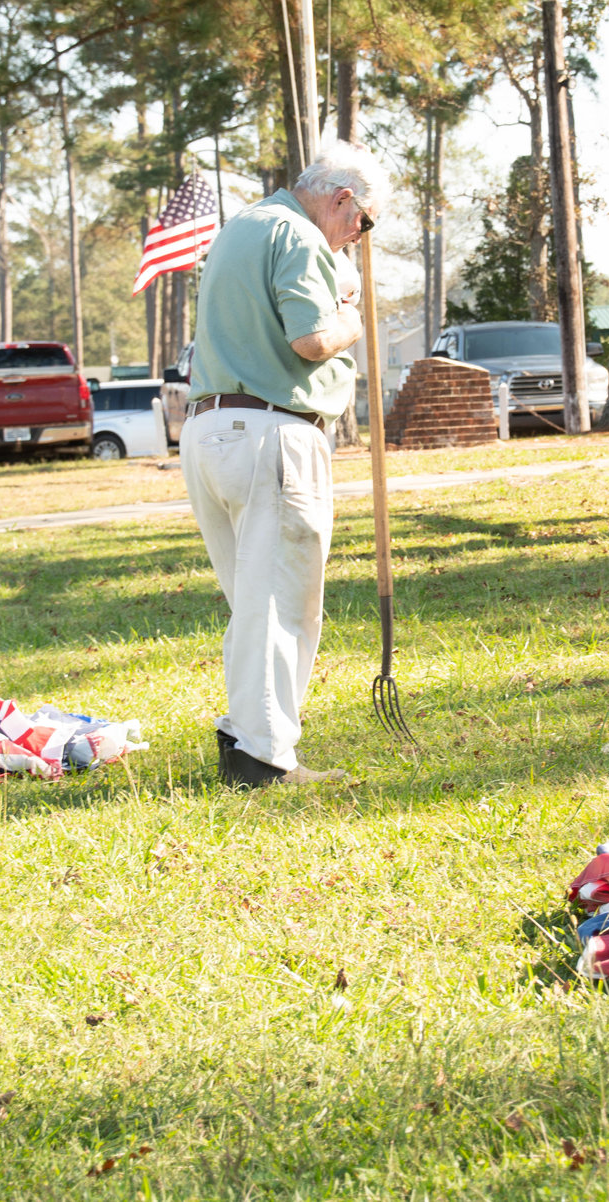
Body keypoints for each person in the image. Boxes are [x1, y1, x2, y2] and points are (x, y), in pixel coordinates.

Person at [180, 141, 390, 789]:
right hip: (272, 433)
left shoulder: (242, 226)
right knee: (283, 606)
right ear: (340, 198)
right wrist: (351, 317)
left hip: (211, 430)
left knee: (253, 603)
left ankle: (246, 739)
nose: (359, 237)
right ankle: (265, 759)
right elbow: (310, 340)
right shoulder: (296, 235)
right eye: (364, 222)